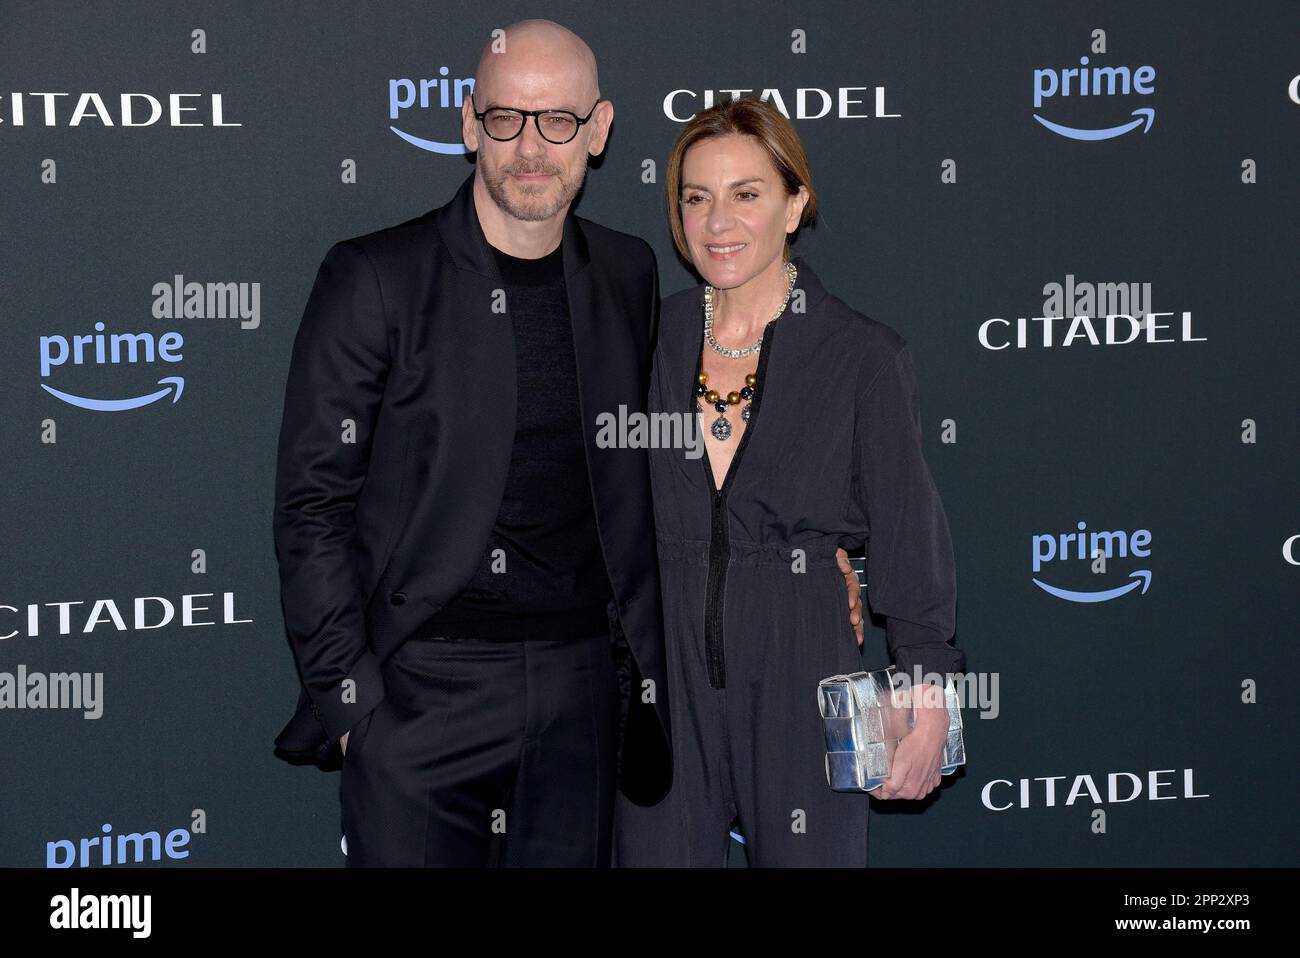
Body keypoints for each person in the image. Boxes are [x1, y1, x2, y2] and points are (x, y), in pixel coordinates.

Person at [270, 19, 673, 867]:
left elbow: (663, 458)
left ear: (598, 131)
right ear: (467, 123)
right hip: (421, 694)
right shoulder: (376, 277)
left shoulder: (630, 274)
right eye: (505, 118)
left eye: (557, 120)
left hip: (581, 691)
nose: (531, 147)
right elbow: (313, 503)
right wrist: (356, 714)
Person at [613, 96, 966, 867]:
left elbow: (910, 543)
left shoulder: (861, 356)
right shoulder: (641, 340)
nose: (717, 222)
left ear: (795, 203)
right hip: (658, 683)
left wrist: (929, 692)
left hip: (804, 676)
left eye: (747, 194)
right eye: (696, 198)